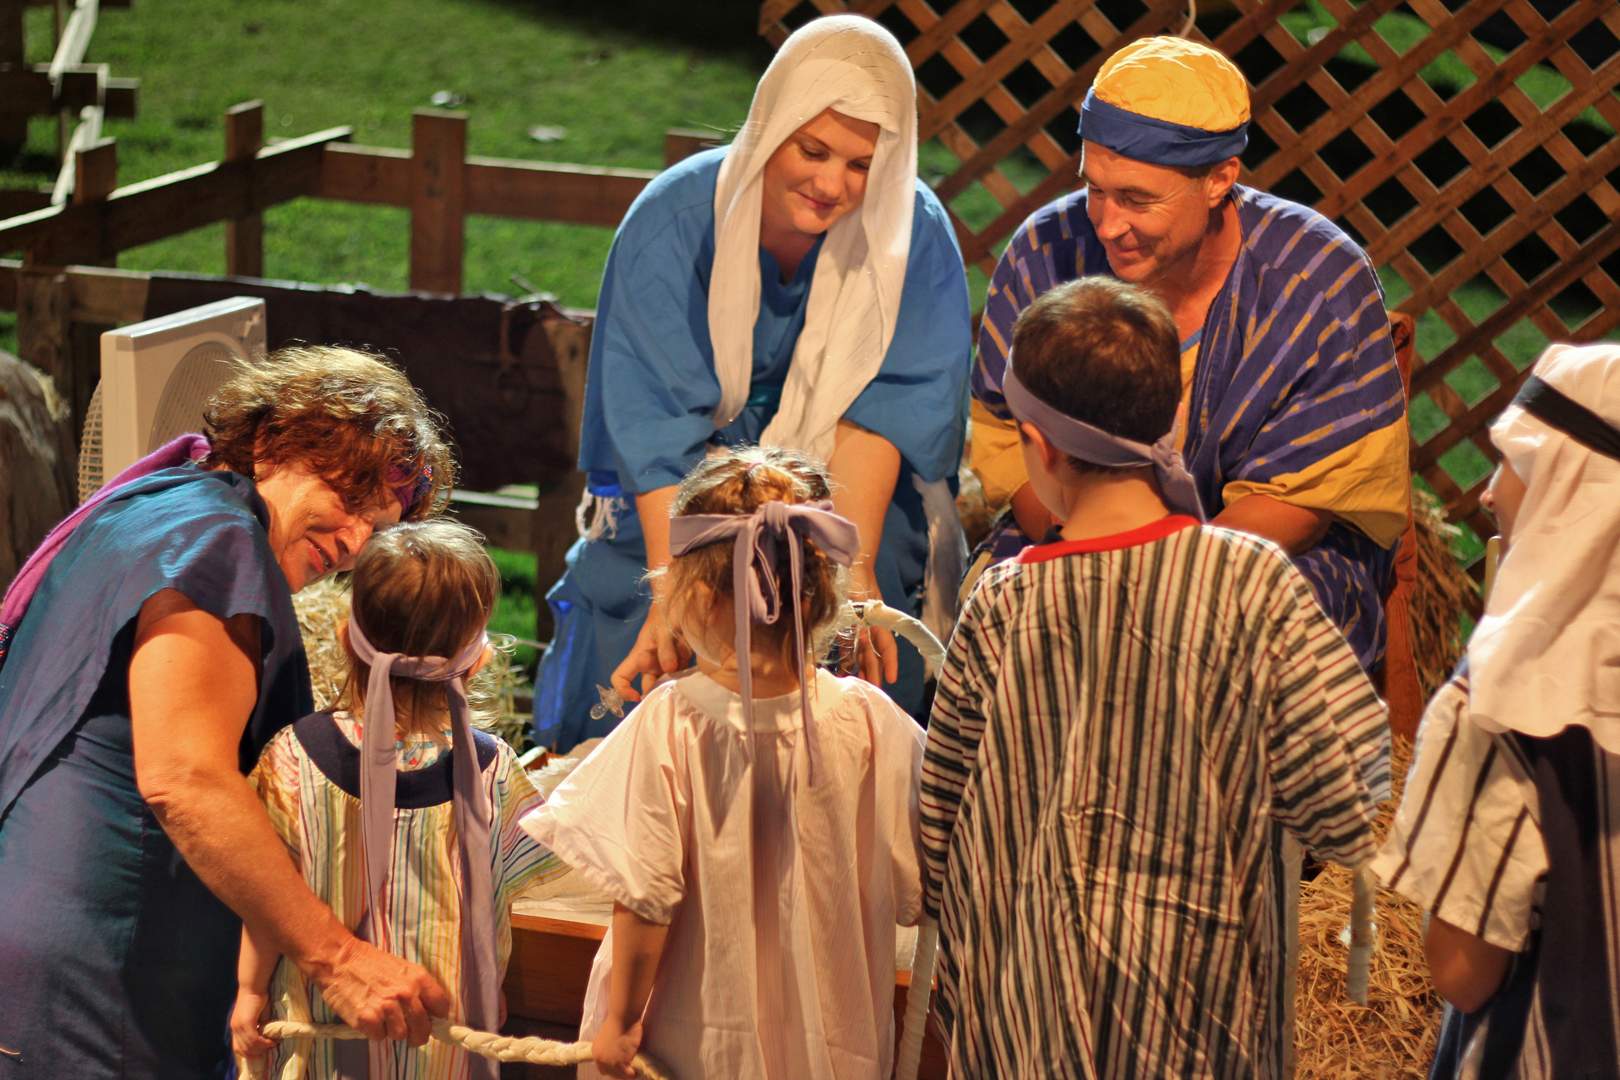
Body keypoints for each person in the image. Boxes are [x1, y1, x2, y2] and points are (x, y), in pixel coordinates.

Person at [920, 278, 1390, 1078]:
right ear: (1171, 419)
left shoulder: (1001, 605)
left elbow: (939, 824)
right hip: (1206, 1012)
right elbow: (1345, 789)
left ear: (1038, 444)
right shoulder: (1254, 581)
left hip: (1030, 1009)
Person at [0, 346, 456, 1079]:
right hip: (103, 966)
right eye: (349, 499)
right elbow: (184, 776)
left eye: (377, 527)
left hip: (46, 937)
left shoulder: (157, 503)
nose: (354, 543)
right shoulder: (220, 545)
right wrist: (337, 957)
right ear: (275, 442)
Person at [532, 14, 973, 749]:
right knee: (649, 642)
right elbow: (654, 427)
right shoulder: (671, 223)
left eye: (861, 164)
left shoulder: (911, 234)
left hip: (842, 497)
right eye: (813, 150)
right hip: (683, 499)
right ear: (773, 124)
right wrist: (677, 588)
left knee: (854, 646)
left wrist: (850, 570)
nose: (831, 184)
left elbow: (887, 410)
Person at [966, 35, 1409, 672]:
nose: (1106, 224)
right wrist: (1089, 565)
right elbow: (1014, 443)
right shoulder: (1046, 253)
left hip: (1265, 558)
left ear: (1219, 179)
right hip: (1076, 529)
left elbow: (1301, 504)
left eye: (1137, 199)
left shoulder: (1318, 282)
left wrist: (1162, 589)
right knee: (1004, 618)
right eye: (1095, 188)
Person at [523, 446, 926, 1079]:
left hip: (690, 1049)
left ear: (697, 594)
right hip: (832, 1048)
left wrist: (621, 1021)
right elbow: (918, 891)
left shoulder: (673, 722)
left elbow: (645, 902)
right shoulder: (873, 723)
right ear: (823, 592)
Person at [230, 520, 562, 1079]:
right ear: (477, 662)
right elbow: (499, 890)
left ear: (344, 638)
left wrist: (249, 990)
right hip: (445, 1040)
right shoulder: (493, 771)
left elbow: (269, 897)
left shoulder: (293, 758)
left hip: (324, 1039)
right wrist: (487, 984)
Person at [1372, 342, 1620, 1077]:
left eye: (1513, 460)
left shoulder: (1503, 698)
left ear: (1571, 486)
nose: (1487, 493)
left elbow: (1462, 972)